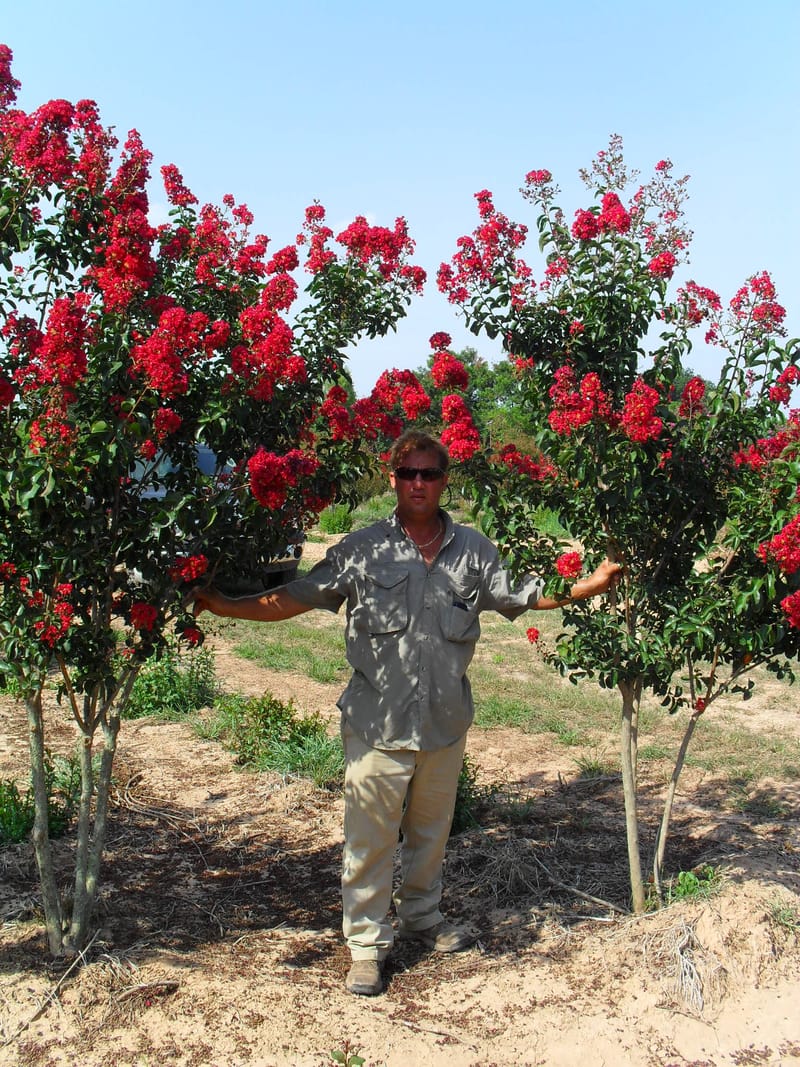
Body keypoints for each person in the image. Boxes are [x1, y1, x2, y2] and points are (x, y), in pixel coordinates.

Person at [188, 429, 620, 997]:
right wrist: (227, 606)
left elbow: (523, 595)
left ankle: (422, 918)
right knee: (369, 840)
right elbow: (298, 596)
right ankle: (366, 945)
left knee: (430, 833)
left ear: (444, 481)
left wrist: (589, 585)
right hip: (377, 723)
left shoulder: (475, 550)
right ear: (393, 480)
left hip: (443, 724)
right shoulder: (363, 548)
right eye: (408, 473)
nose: (419, 483)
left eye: (430, 474)